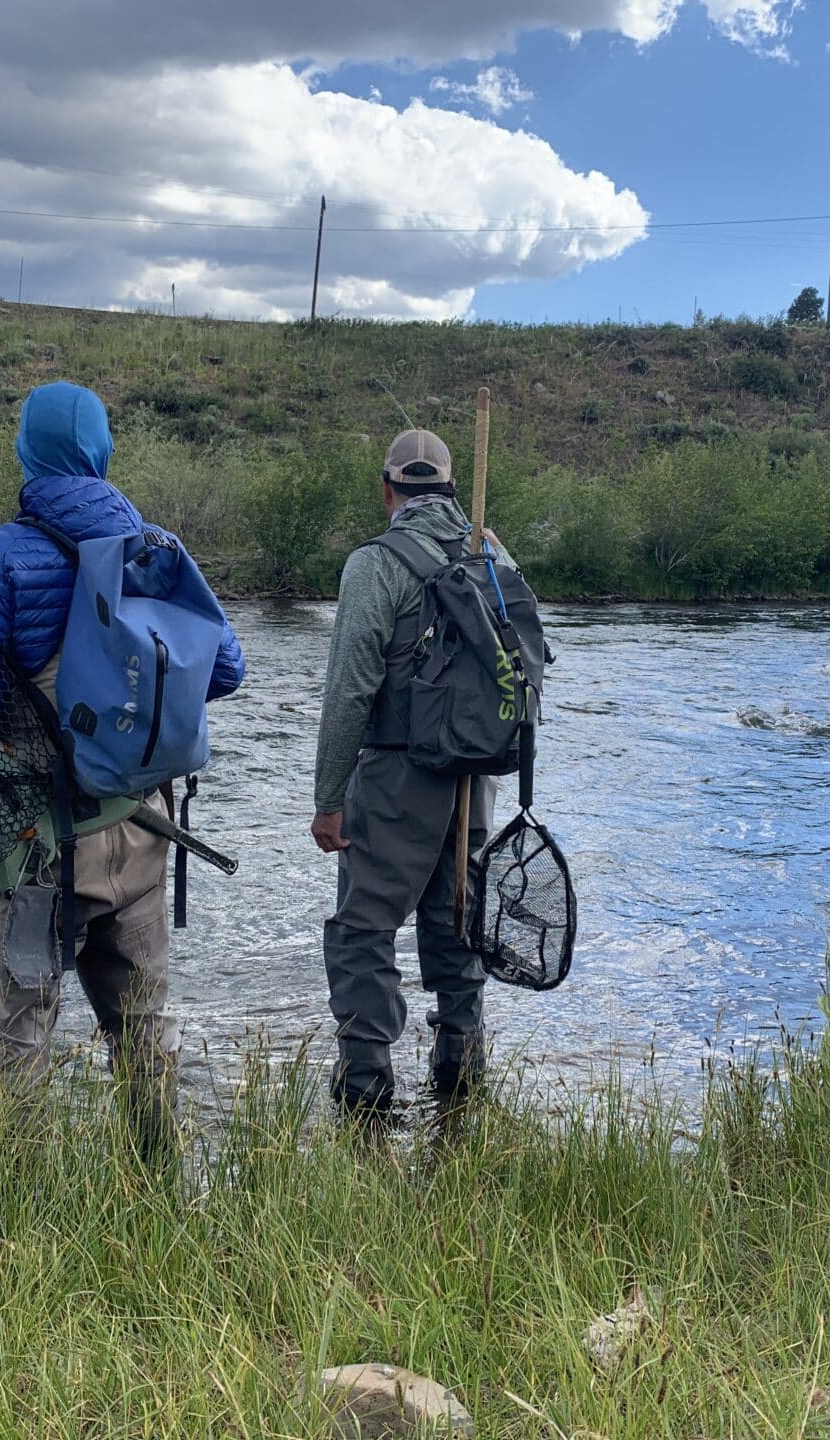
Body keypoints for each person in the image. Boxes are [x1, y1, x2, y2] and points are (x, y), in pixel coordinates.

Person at [0, 381, 245, 1118]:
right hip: (143, 833)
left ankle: (9, 1221)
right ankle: (154, 1194)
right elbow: (226, 668)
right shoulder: (159, 552)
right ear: (102, 452)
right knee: (144, 1036)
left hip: (37, 848)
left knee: (18, 1044)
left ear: (28, 451)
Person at [311, 428, 505, 1117]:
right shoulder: (491, 553)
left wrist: (328, 800)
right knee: (456, 924)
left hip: (396, 777)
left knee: (363, 931)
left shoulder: (374, 565)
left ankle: (365, 1093)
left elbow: (349, 693)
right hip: (473, 781)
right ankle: (461, 1076)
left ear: (387, 490)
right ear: (451, 489)